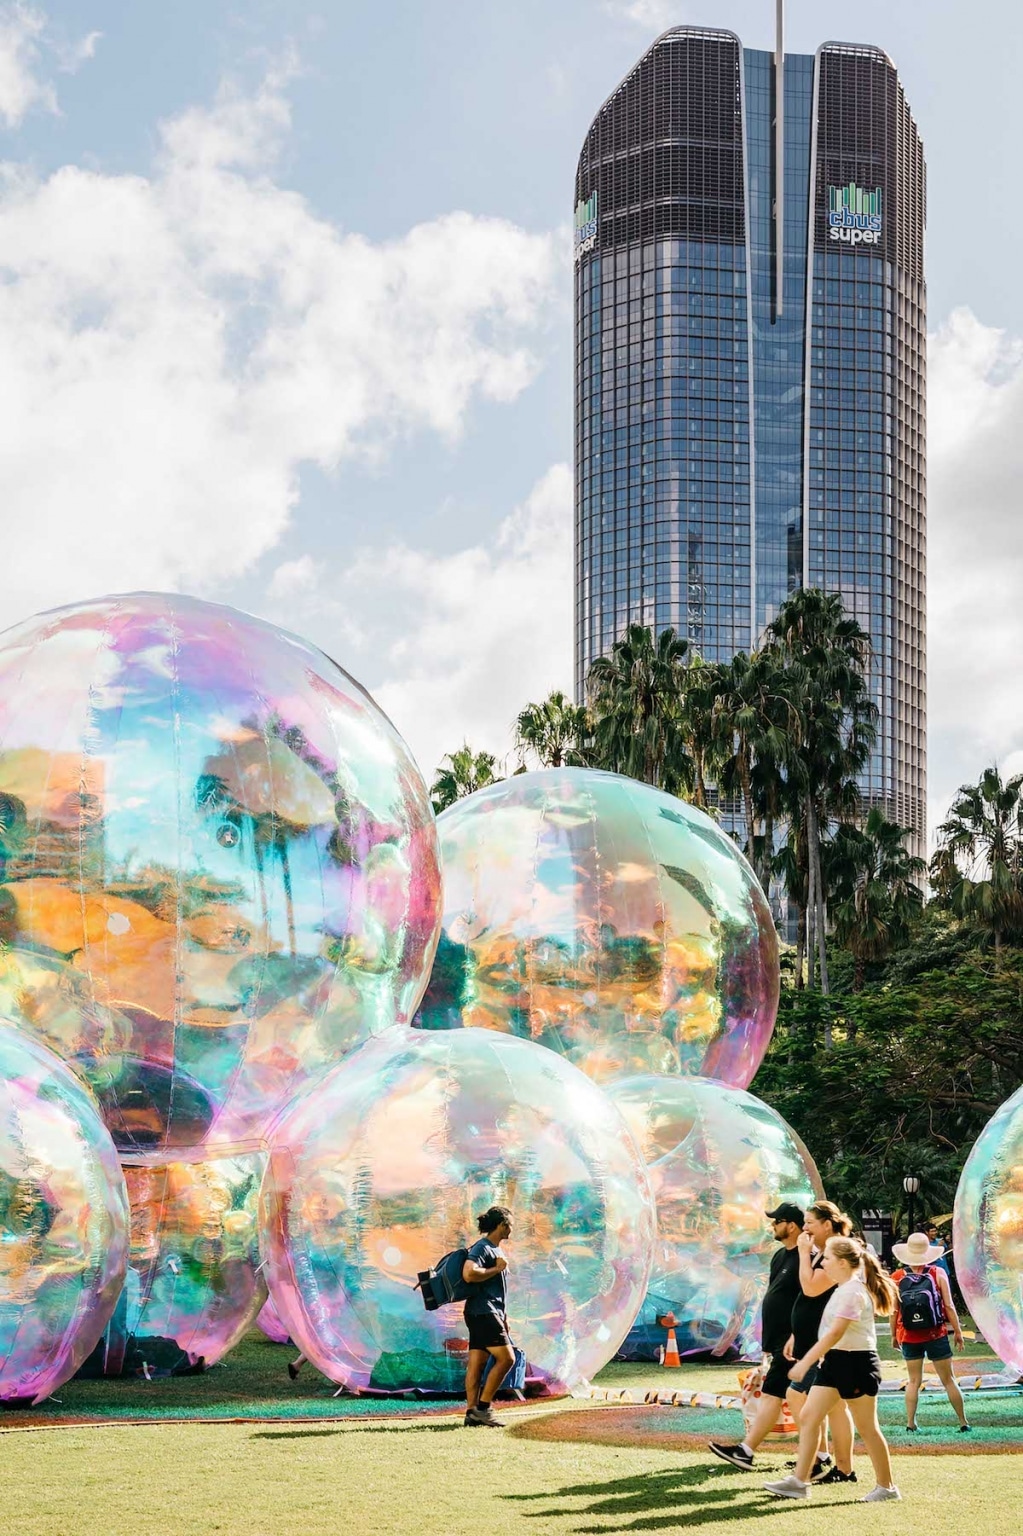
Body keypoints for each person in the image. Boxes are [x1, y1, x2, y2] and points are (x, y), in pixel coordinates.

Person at [763, 1235, 901, 1503]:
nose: (821, 1262)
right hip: (834, 1364)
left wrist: (805, 1363)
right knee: (809, 1416)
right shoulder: (842, 1289)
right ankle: (799, 1482)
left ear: (840, 1262)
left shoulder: (852, 1291)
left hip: (856, 1364)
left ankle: (887, 1487)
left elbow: (835, 1333)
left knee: (868, 1428)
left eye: (826, 1258)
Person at [708, 1203, 804, 1472]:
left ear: (792, 1226)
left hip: (791, 1344)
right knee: (788, 1397)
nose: (772, 1225)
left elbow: (806, 1300)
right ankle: (817, 1456)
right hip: (777, 1342)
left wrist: (796, 1334)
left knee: (777, 1395)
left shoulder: (803, 1258)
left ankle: (746, 1451)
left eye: (777, 1221)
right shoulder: (780, 1257)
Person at [782, 1202, 856, 1485]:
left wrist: (802, 1252)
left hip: (826, 1342)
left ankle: (821, 1460)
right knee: (830, 1406)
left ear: (827, 1224)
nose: (805, 1228)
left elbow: (811, 1288)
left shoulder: (838, 1253)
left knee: (799, 1396)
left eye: (810, 1222)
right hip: (812, 1338)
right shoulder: (823, 1252)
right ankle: (830, 1462)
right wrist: (795, 1333)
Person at [891, 1231, 969, 1432]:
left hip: (909, 1336)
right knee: (949, 1380)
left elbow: (894, 1311)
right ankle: (963, 1422)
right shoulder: (937, 1273)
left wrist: (893, 1335)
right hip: (936, 1333)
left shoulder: (898, 1277)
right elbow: (949, 1305)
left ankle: (910, 1424)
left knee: (913, 1381)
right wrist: (958, 1331)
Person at [462, 1205, 514, 1427]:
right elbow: (468, 1273)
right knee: (507, 1358)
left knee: (477, 1363)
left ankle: (472, 1413)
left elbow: (496, 1289)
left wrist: (503, 1316)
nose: (512, 1228)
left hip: (484, 1312)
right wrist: (496, 1269)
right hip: (484, 1312)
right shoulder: (483, 1247)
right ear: (502, 1225)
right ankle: (483, 1409)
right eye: (510, 1224)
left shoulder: (494, 1249)